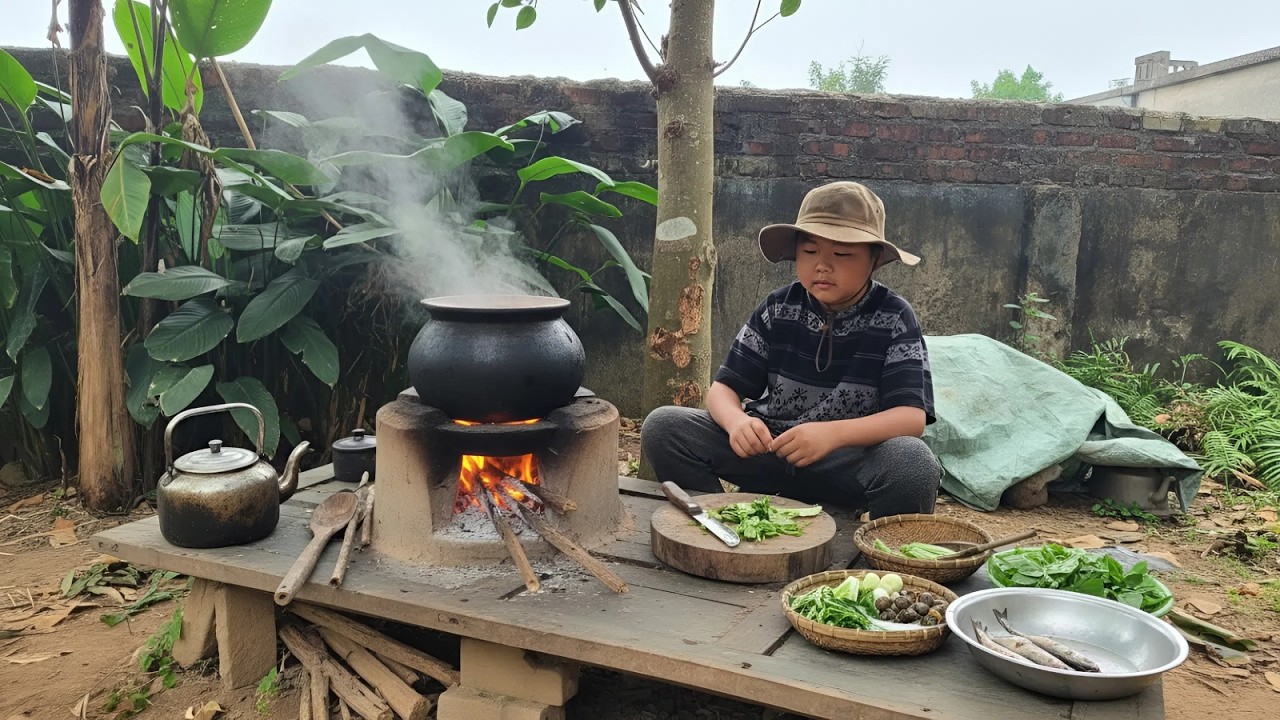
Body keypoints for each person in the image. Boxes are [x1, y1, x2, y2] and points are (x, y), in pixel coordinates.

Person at [641, 181, 941, 519]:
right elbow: (723, 391)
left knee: (914, 463)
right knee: (664, 426)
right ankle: (722, 525)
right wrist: (738, 422)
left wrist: (831, 435)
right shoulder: (778, 306)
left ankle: (880, 558)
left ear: (874, 261)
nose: (822, 266)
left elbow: (911, 418)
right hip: (771, 450)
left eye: (841, 254)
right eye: (810, 252)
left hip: (846, 460)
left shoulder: (894, 316)